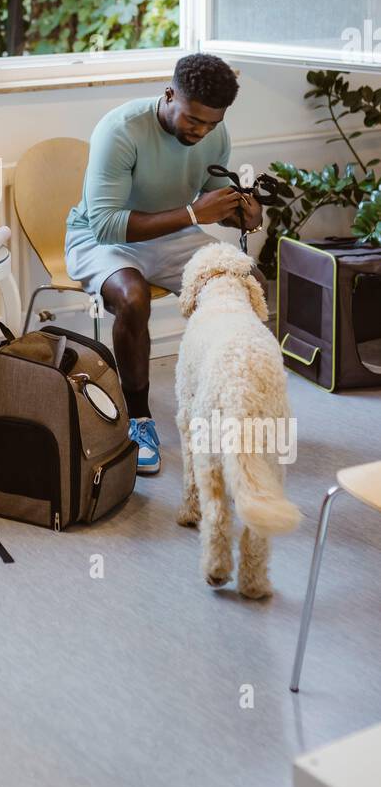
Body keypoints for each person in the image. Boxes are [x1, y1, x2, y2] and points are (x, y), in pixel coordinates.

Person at [64, 53, 263, 475]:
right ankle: (138, 419)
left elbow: (212, 198)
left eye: (212, 123)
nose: (202, 131)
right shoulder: (120, 131)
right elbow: (106, 224)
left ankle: (224, 405)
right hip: (101, 240)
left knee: (246, 281)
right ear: (169, 94)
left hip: (172, 236)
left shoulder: (214, 130)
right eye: (194, 120)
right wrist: (194, 214)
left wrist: (243, 213)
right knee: (134, 298)